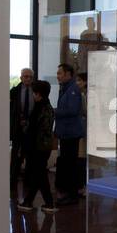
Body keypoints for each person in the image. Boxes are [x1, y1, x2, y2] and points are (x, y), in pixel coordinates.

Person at [17, 80, 56, 213]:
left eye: (34, 93)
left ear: (38, 94)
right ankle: (32, 201)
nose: (33, 95)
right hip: (39, 147)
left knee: (40, 175)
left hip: (38, 148)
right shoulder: (44, 107)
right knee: (38, 174)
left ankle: (47, 203)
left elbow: (39, 130)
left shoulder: (43, 108)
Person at [54, 63, 85, 205]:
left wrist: (55, 112)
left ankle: (72, 195)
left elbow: (72, 110)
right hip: (66, 132)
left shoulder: (72, 90)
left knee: (70, 164)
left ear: (68, 74)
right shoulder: (65, 88)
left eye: (60, 73)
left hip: (71, 133)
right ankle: (68, 192)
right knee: (66, 163)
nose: (58, 76)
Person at [9, 67, 35, 197]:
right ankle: (12, 183)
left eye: (30, 77)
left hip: (31, 131)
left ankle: (28, 183)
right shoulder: (14, 91)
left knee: (30, 157)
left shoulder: (36, 91)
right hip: (18, 130)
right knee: (16, 158)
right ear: (21, 78)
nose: (28, 79)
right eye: (26, 76)